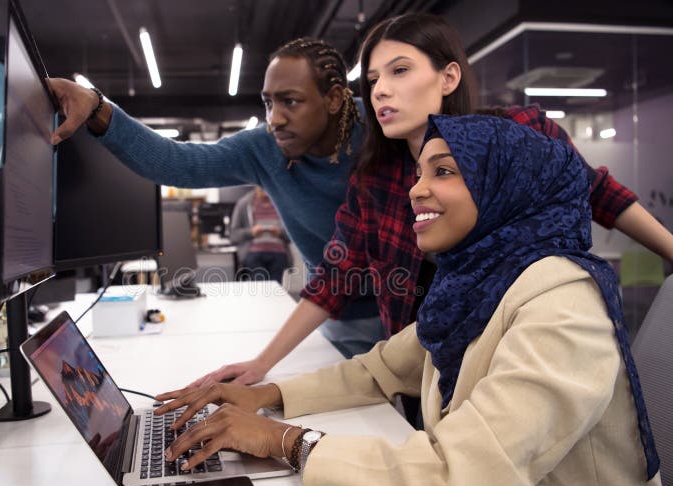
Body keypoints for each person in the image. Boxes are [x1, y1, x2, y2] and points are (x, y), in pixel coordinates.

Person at [153, 114, 672, 486]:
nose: (416, 191)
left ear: (503, 186)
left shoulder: (563, 304)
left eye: (443, 171)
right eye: (420, 173)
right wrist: (263, 396)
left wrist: (281, 440)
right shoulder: (477, 282)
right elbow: (375, 371)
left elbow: (463, 474)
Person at [190, 12, 673, 387]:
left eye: (400, 70)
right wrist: (262, 364)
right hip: (424, 374)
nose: (381, 90)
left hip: (523, 362)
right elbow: (334, 278)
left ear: (448, 78)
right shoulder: (375, 181)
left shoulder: (518, 135)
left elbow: (600, 194)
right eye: (374, 79)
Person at [47, 38, 386, 360]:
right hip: (340, 316)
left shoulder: (383, 126)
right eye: (269, 103)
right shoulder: (265, 148)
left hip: (412, 309)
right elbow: (179, 163)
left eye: (291, 101)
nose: (275, 119)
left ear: (335, 99)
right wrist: (97, 107)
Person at [230, 187, 291, 283]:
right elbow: (234, 235)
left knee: (276, 292)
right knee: (259, 289)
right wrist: (251, 232)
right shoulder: (244, 204)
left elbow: (293, 236)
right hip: (254, 254)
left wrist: (280, 232)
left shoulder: (283, 203)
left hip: (279, 254)